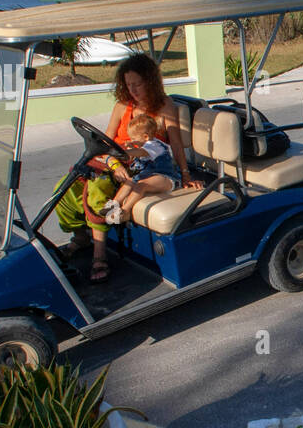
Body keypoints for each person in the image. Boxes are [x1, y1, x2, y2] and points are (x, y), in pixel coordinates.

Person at [54, 53, 197, 282]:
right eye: (128, 85)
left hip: (139, 166)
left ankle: (99, 256)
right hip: (113, 162)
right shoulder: (123, 106)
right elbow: (106, 141)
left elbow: (176, 144)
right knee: (64, 188)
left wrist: (186, 174)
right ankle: (80, 237)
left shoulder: (164, 106)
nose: (132, 90)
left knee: (98, 189)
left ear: (150, 81)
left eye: (137, 84)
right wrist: (111, 163)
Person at [102, 113, 183, 223]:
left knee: (141, 186)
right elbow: (141, 151)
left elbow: (142, 152)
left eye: (134, 138)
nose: (132, 140)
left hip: (167, 177)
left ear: (145, 137)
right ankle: (114, 204)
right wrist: (131, 147)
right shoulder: (146, 145)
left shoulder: (155, 146)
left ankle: (125, 211)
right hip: (152, 175)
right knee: (129, 181)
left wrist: (125, 152)